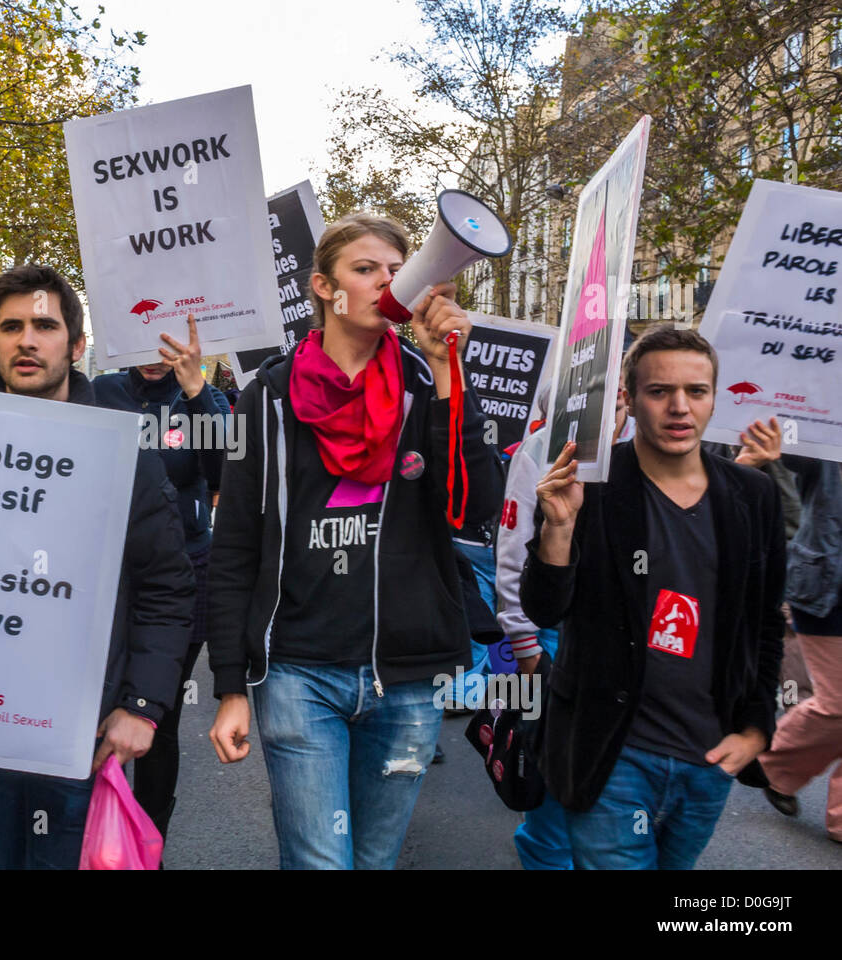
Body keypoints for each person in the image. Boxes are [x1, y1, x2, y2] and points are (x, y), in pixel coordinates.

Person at [206, 213, 504, 870]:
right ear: (324, 287)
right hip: (297, 673)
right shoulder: (269, 398)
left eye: (398, 271)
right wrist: (230, 684)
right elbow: (233, 549)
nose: (385, 283)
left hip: (409, 677)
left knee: (373, 860)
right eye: (365, 269)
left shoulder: (427, 382)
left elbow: (473, 509)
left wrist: (450, 373)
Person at [0, 263, 195, 869]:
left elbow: (165, 588)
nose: (26, 339)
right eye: (11, 326)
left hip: (81, 735)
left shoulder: (123, 451)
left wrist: (143, 706)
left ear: (75, 345)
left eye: (44, 325)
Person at [521, 326, 785, 870]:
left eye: (697, 391)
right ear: (632, 398)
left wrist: (756, 730)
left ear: (715, 397)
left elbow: (763, 625)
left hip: (710, 758)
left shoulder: (752, 494)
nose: (680, 407)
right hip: (613, 754)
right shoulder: (590, 486)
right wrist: (558, 528)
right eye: (660, 391)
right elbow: (544, 609)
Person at [93, 314, 231, 839]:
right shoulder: (99, 391)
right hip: (103, 572)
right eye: (145, 341)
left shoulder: (202, 398)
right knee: (100, 707)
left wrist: (198, 387)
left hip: (182, 572)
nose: (157, 353)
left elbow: (227, 472)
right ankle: (92, 829)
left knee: (156, 718)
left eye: (169, 343)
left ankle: (146, 841)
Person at [759, 452, 842, 844]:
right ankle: (774, 766)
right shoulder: (831, 423)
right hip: (829, 587)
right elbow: (794, 452)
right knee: (838, 703)